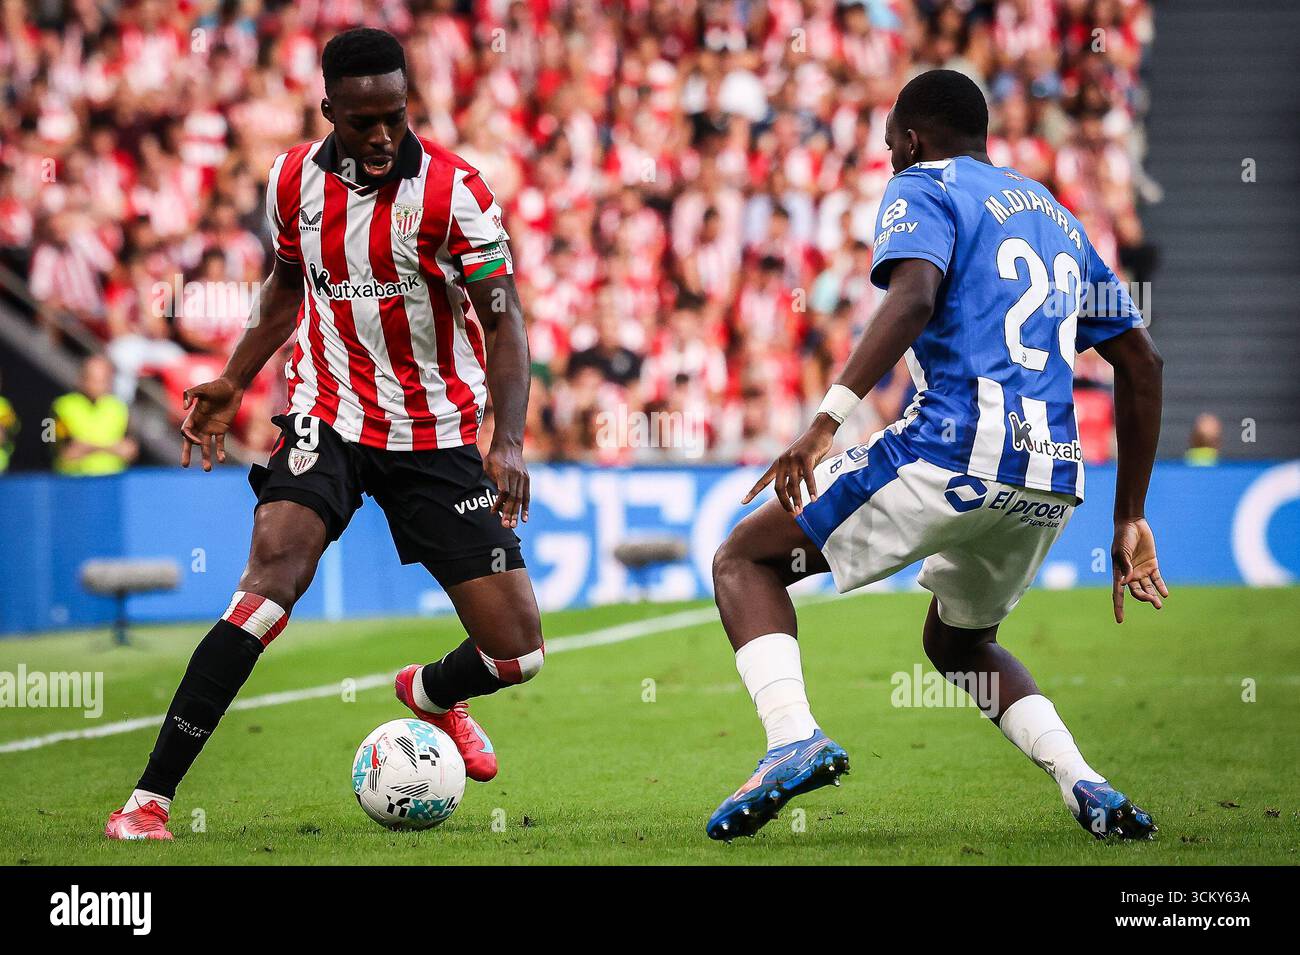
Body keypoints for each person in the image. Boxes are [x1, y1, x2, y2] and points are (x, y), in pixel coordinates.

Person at [106, 28, 544, 840]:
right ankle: (148, 801)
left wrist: (506, 437)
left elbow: (504, 318)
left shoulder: (456, 192)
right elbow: (284, 284)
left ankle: (431, 694)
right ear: (329, 109)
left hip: (435, 435)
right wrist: (236, 379)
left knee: (518, 655)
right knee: (268, 584)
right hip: (326, 414)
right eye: (363, 120)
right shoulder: (290, 182)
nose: (382, 135)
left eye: (395, 115)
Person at [707, 71, 1166, 842]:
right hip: (1051, 475)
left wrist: (826, 421)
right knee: (958, 641)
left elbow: (914, 295)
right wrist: (1131, 515)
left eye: (891, 144)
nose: (890, 159)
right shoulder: (1054, 213)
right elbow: (1143, 361)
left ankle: (793, 737)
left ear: (912, 139)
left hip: (954, 447)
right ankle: (1082, 779)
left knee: (743, 560)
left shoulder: (923, 184)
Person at [50, 355, 138, 475]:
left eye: (103, 380)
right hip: (72, 482)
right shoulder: (60, 406)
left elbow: (130, 450)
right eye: (94, 379)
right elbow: (55, 448)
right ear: (82, 379)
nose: (98, 385)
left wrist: (87, 447)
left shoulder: (119, 408)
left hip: (110, 482)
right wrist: (112, 448)